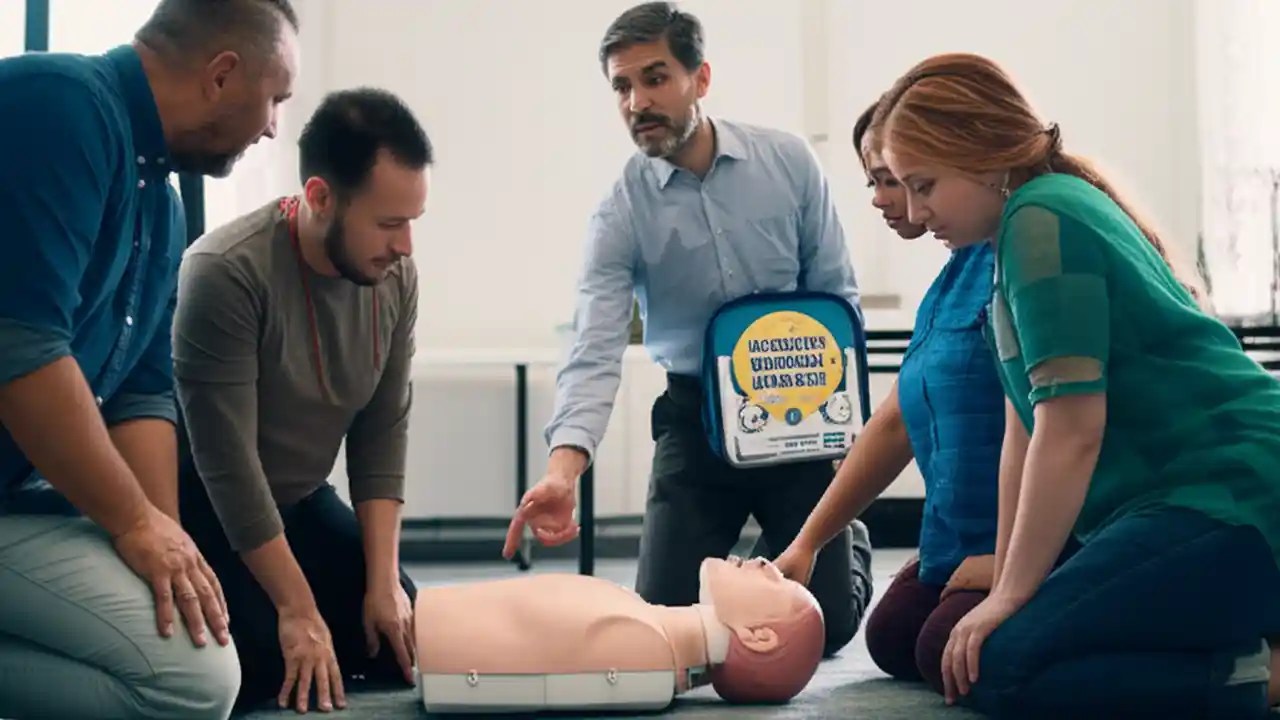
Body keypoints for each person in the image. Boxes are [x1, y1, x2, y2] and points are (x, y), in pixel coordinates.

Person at [875, 51, 1280, 719]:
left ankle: (1261, 673)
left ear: (982, 153)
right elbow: (1023, 433)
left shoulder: (1043, 219)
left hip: (1233, 499)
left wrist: (1010, 597)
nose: (917, 212)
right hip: (1186, 505)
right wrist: (1008, 583)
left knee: (1001, 667)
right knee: (982, 650)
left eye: (925, 185)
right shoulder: (1017, 234)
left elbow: (1072, 432)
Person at [501, 0, 872, 659]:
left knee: (826, 627)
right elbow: (594, 347)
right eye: (621, 86)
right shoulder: (619, 210)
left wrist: (841, 430)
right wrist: (563, 471)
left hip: (797, 412)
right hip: (693, 419)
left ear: (700, 78)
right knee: (664, 627)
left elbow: (835, 297)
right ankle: (778, 558)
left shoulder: (788, 162)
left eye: (655, 78)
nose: (637, 102)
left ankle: (848, 542)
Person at [0, 0, 298, 717]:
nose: (272, 127)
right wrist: (134, 524)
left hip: (21, 501)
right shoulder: (60, 107)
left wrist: (166, 539)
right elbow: (20, 348)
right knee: (190, 684)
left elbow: (139, 392)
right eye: (275, 99)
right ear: (222, 74)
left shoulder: (161, 207)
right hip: (19, 501)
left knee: (204, 660)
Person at [173, 88, 429, 714]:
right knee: (262, 663)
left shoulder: (394, 276)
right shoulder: (225, 271)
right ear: (319, 197)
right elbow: (229, 468)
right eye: (388, 224)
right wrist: (297, 608)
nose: (405, 246)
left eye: (412, 222)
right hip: (208, 511)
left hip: (301, 501)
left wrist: (383, 584)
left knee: (398, 637)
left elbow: (382, 434)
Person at [773, 96, 1007, 695]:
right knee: (893, 638)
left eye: (892, 179)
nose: (880, 198)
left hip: (1025, 539)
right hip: (958, 538)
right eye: (875, 180)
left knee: (947, 655)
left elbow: (1054, 431)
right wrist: (806, 545)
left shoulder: (1014, 262)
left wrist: (1010, 562)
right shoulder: (952, 276)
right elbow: (896, 421)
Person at [415, 556, 824, 713]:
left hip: (429, 632)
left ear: (757, 636)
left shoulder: (642, 643)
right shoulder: (640, 625)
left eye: (777, 582)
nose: (767, 563)